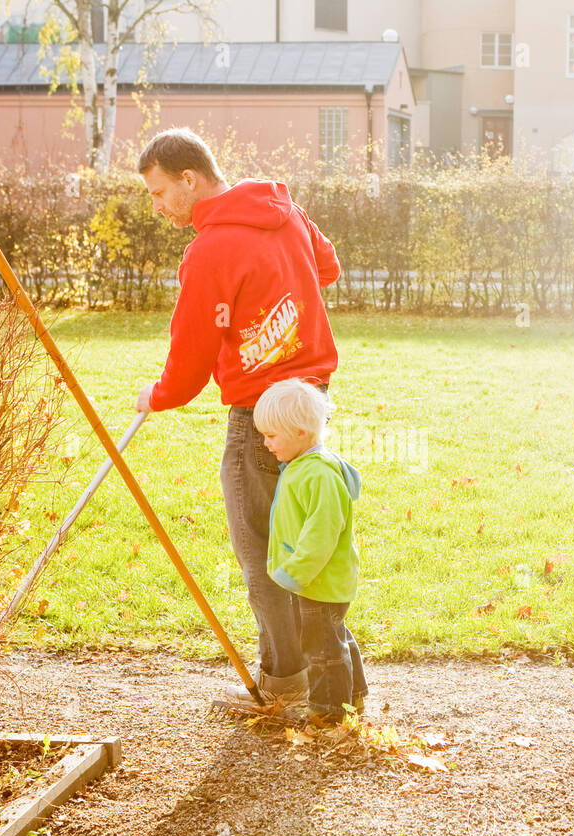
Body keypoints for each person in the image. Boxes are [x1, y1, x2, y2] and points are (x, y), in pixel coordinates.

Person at [133, 127, 343, 707]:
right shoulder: (285, 208)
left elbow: (191, 357)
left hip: (260, 421)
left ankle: (283, 684)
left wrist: (158, 395)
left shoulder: (208, 251)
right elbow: (327, 268)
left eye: (157, 193)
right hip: (312, 401)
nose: (157, 207)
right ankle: (328, 678)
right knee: (306, 538)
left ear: (189, 180)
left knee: (262, 551)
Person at [253, 378, 367, 722]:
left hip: (319, 579)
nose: (265, 442)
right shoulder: (303, 465)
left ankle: (328, 714)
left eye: (272, 436)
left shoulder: (318, 474)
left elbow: (321, 534)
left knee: (322, 649)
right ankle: (354, 697)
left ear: (301, 433)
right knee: (334, 637)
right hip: (320, 579)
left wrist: (295, 572)